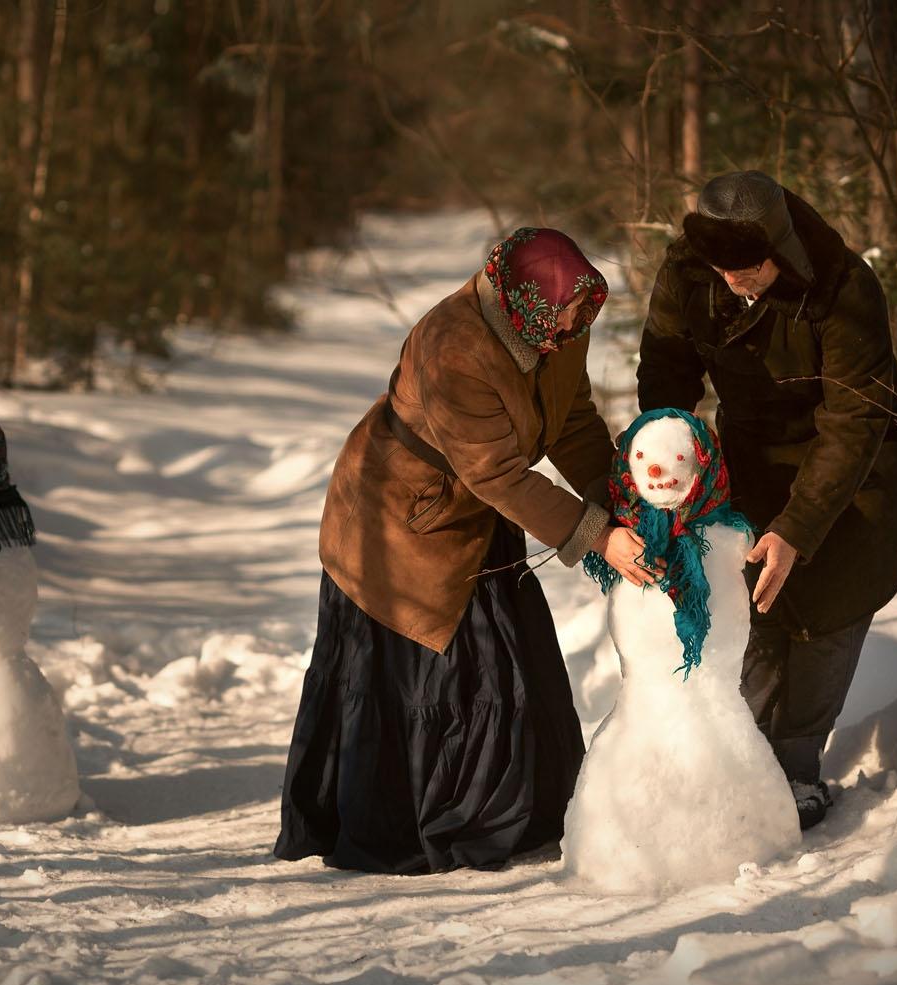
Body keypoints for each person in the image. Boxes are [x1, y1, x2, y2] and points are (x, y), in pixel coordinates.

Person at [274, 227, 654, 874]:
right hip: (401, 518)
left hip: (476, 502)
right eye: (557, 321)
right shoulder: (452, 347)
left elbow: (570, 419)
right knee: (452, 667)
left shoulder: (565, 319)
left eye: (577, 319)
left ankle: (522, 814)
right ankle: (440, 824)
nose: (569, 333)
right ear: (525, 304)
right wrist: (597, 535)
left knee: (513, 656)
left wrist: (619, 500)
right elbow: (499, 474)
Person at [635, 170, 897, 830]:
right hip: (753, 447)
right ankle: (743, 761)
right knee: (752, 599)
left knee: (829, 602)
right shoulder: (687, 272)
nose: (737, 280)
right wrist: (675, 461)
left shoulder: (844, 286)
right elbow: (667, 373)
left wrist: (799, 525)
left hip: (857, 459)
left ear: (782, 243)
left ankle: (793, 767)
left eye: (751, 265)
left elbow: (853, 420)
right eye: (723, 267)